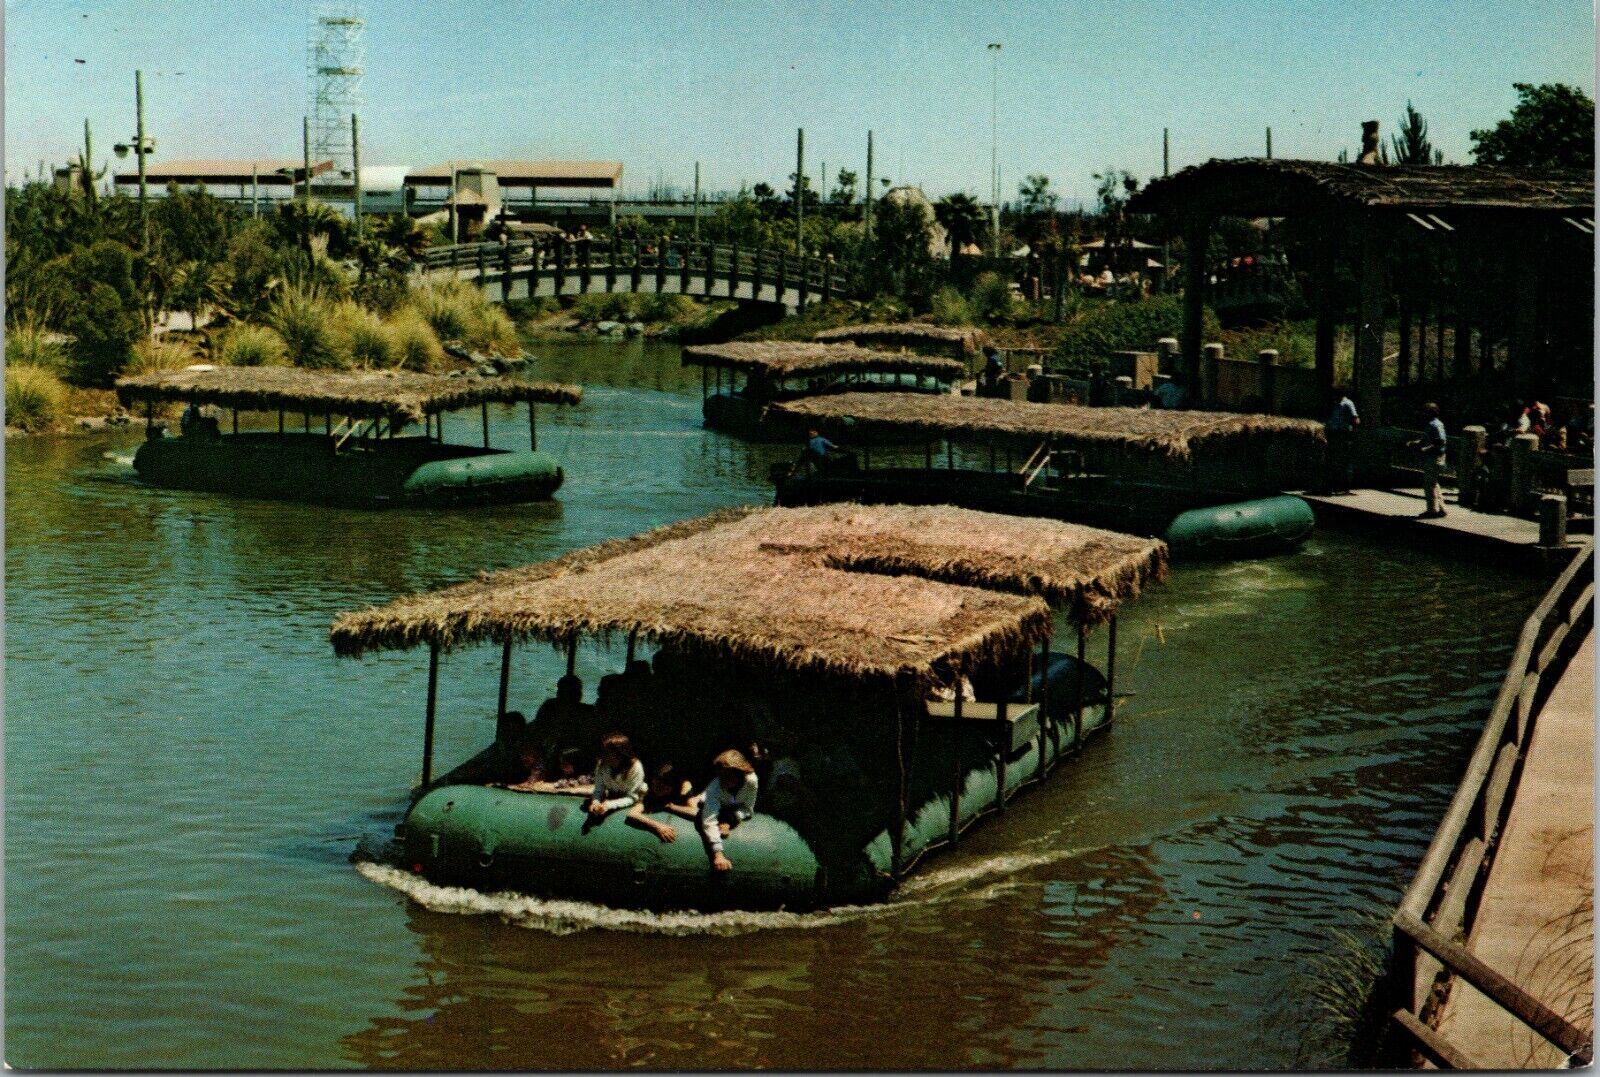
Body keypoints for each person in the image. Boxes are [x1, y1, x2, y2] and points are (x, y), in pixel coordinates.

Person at [696, 749, 758, 872]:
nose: (722, 782)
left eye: (728, 777)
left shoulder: (752, 781)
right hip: (711, 805)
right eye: (720, 776)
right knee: (700, 812)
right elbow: (709, 821)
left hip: (731, 809)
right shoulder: (714, 788)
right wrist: (718, 854)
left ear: (740, 773)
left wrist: (729, 822)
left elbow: (747, 810)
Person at [626, 763, 698, 843]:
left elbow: (695, 812)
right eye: (657, 783)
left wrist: (671, 807)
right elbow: (632, 814)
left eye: (664, 786)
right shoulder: (651, 792)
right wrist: (658, 826)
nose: (659, 788)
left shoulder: (683, 787)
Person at [584, 733, 646, 819]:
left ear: (620, 754)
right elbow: (598, 789)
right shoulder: (602, 765)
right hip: (612, 797)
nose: (603, 755)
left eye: (607, 752)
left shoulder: (635, 767)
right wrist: (595, 802)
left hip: (634, 802)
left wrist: (609, 805)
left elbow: (632, 797)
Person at [1410, 402, 1449, 519]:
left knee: (1429, 484)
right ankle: (1442, 509)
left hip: (1435, 457)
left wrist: (1425, 449)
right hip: (1432, 456)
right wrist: (1415, 443)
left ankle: (1432, 510)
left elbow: (1440, 441)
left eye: (1425, 412)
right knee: (1433, 482)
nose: (1423, 414)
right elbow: (1428, 439)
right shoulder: (1431, 425)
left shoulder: (1435, 425)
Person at [1325, 388, 1360, 494]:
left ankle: (1345, 486)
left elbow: (1355, 419)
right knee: (1335, 459)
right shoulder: (1336, 404)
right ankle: (1335, 485)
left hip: (1343, 434)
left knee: (1343, 459)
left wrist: (1351, 431)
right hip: (1335, 434)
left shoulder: (1348, 404)